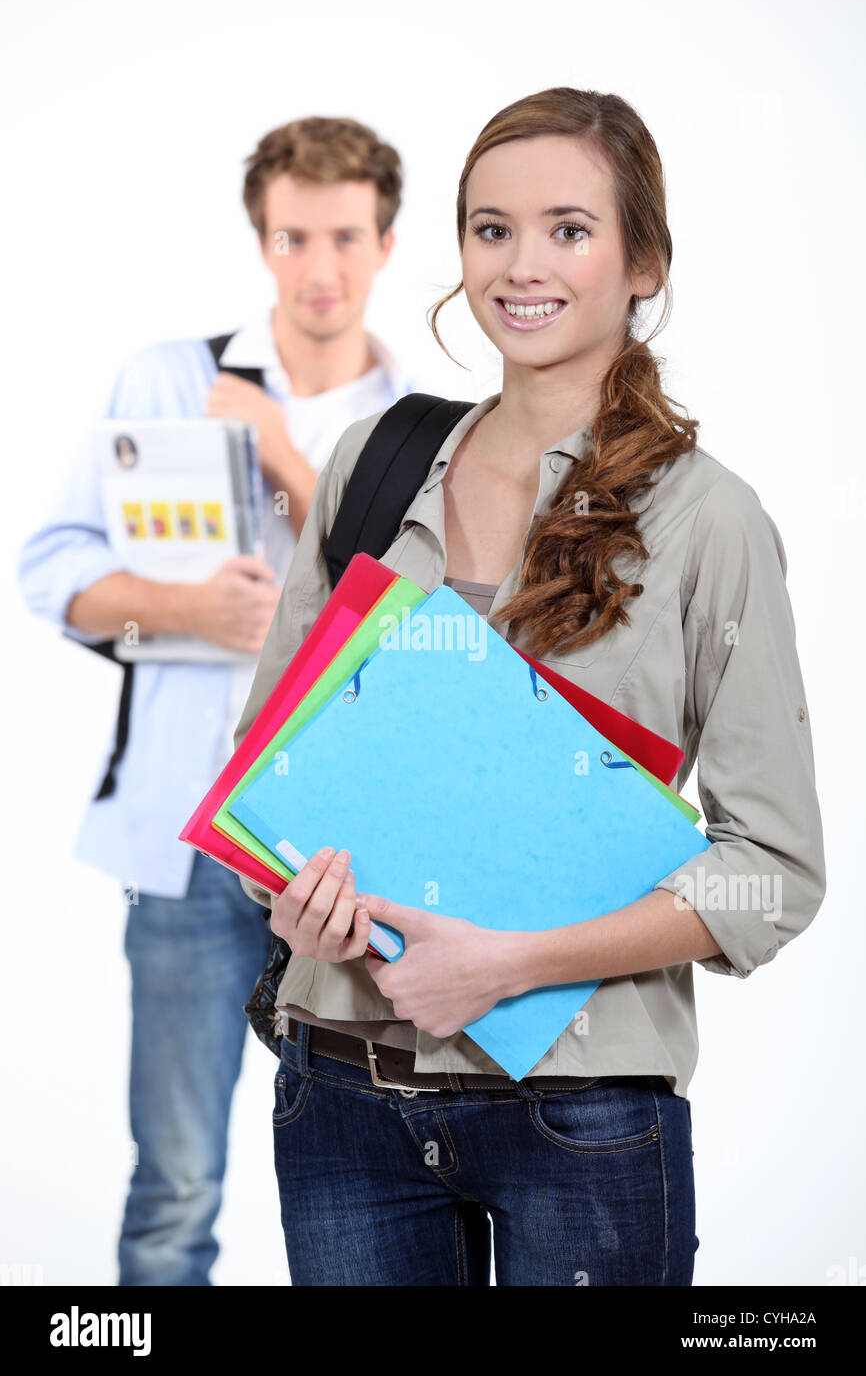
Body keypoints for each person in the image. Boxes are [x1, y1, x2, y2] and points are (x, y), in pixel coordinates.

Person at [231, 87, 826, 1287]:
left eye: (567, 227)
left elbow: (773, 867)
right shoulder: (373, 460)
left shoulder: (709, 522)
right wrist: (285, 892)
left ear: (641, 259)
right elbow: (263, 775)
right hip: (340, 1098)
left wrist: (513, 963)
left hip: (579, 1114)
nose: (520, 265)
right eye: (490, 228)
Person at [17, 114, 424, 1286]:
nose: (319, 268)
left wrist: (291, 470)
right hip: (186, 847)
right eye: (292, 236)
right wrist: (189, 613)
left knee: (377, 1180)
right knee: (178, 1179)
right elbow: (51, 571)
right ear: (262, 241)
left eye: (345, 236)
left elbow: (418, 627)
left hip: (350, 860)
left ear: (387, 242)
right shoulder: (167, 378)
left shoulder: (421, 426)